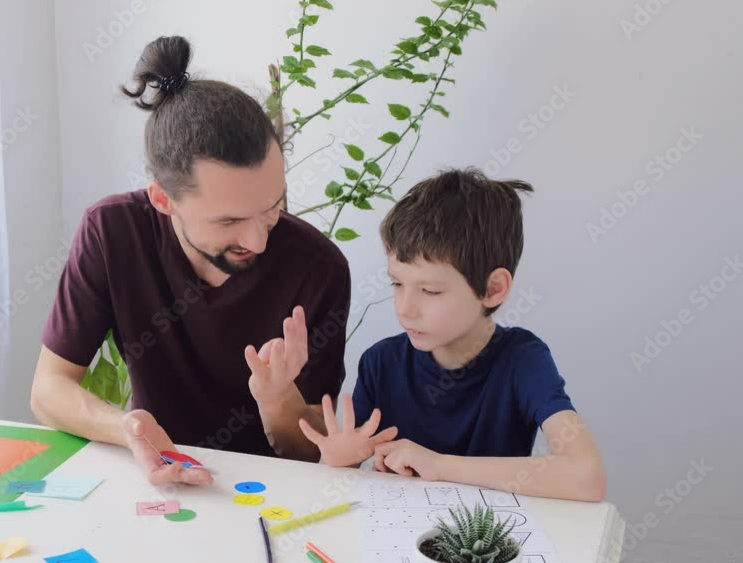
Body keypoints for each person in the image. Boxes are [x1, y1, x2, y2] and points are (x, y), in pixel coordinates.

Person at [30, 36, 351, 487]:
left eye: (272, 207)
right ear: (163, 199)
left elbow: (310, 453)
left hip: (273, 494)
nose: (258, 240)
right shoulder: (112, 233)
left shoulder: (319, 267)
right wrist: (129, 429)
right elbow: (49, 390)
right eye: (230, 220)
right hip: (159, 479)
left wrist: (278, 399)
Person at [299, 168, 607, 502]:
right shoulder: (380, 363)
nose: (405, 308)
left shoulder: (524, 361)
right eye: (397, 284)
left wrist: (439, 466)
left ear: (492, 289)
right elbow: (343, 485)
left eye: (430, 291)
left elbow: (586, 477)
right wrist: (337, 458)